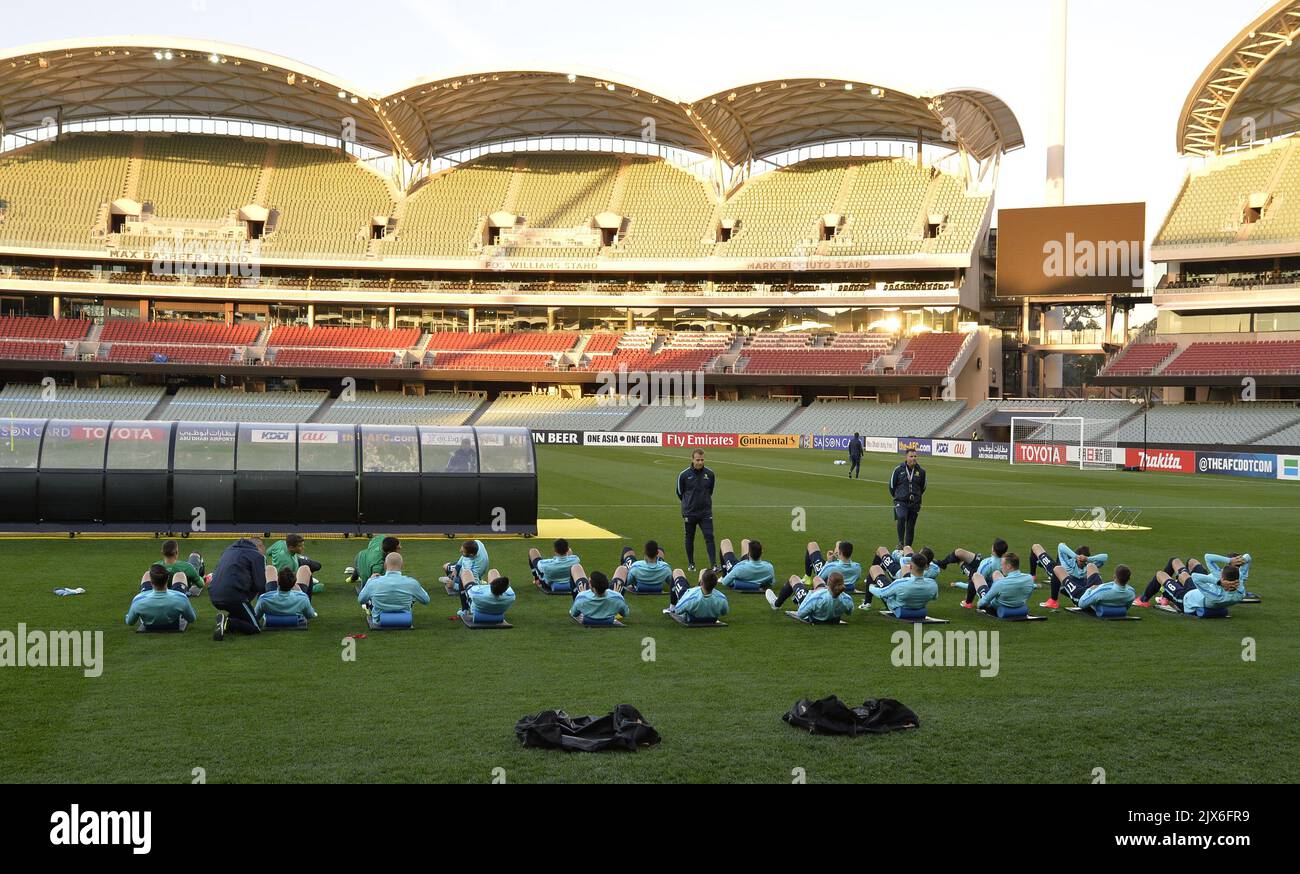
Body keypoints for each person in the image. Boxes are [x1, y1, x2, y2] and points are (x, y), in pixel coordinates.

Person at [210, 537, 272, 640]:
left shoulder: (228, 551)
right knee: (255, 628)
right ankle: (228, 622)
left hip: (214, 596)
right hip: (234, 597)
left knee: (241, 612)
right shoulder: (257, 556)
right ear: (260, 546)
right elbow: (260, 584)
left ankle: (228, 620)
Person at [357, 553, 430, 623]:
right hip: (404, 620)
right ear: (402, 566)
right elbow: (426, 600)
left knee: (371, 597)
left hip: (379, 621)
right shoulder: (412, 583)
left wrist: (369, 581)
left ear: (385, 565)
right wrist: (416, 584)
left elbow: (361, 600)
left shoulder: (373, 582)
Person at [1147, 563, 1244, 615]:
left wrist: (1218, 582)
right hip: (1196, 593)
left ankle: (1144, 600)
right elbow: (1247, 559)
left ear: (1222, 579)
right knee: (1180, 568)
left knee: (1160, 574)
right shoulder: (1240, 592)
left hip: (1186, 599)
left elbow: (1195, 576)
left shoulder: (1216, 595)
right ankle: (1165, 596)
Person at [1033, 543, 1108, 609]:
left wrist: (1088, 559)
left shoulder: (1087, 566)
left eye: (1083, 560)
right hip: (1057, 573)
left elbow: (1105, 557)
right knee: (1036, 547)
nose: (1082, 562)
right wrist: (1075, 556)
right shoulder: (1069, 563)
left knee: (1059, 564)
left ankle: (1053, 601)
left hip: (1070, 582)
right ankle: (1033, 575)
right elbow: (1061, 546)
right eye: (1080, 560)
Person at [677, 448, 717, 572]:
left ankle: (714, 565)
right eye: (697, 460)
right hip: (690, 512)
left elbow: (710, 490)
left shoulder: (710, 474)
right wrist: (688, 504)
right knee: (689, 537)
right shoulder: (684, 475)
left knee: (709, 537)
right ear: (692, 459)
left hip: (705, 513)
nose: (700, 462)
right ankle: (691, 563)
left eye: (702, 460)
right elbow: (679, 492)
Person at [127, 564, 198, 631]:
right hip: (174, 616)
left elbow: (130, 622)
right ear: (167, 579)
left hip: (148, 619)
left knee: (147, 573)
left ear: (151, 582)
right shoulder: (181, 598)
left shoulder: (138, 600)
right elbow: (191, 619)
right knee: (180, 575)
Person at [863, 551, 938, 613]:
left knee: (875, 568)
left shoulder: (901, 583)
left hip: (898, 607)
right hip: (919, 607)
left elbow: (881, 593)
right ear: (926, 567)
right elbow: (935, 597)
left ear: (910, 567)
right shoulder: (933, 584)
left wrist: (871, 586)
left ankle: (866, 604)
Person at [766, 570, 853, 623]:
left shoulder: (816, 598)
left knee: (794, 578)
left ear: (828, 584)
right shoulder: (847, 599)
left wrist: (811, 593)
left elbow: (800, 614)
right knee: (816, 578)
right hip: (833, 617)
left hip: (815, 615)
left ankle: (776, 604)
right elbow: (849, 612)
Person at [964, 552, 1035, 613]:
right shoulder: (1029, 578)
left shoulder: (1000, 583)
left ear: (1009, 566)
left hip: (997, 606)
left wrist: (979, 603)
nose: (1001, 567)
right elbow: (1028, 594)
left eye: (1002, 564)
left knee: (976, 576)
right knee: (996, 573)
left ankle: (967, 602)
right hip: (1019, 604)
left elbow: (984, 602)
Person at [888, 449, 927, 548]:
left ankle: (908, 547)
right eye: (911, 456)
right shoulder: (898, 470)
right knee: (901, 517)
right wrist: (898, 496)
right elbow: (892, 486)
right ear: (906, 457)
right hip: (901, 501)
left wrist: (916, 496)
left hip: (915, 503)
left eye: (915, 456)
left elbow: (923, 487)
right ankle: (901, 543)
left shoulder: (921, 472)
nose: (913, 458)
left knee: (910, 526)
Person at [937, 538, 1009, 589]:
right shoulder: (1007, 560)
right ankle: (943, 563)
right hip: (981, 563)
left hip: (976, 573)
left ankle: (944, 564)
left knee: (959, 560)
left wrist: (958, 584)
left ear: (993, 550)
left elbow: (977, 583)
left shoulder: (989, 564)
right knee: (959, 552)